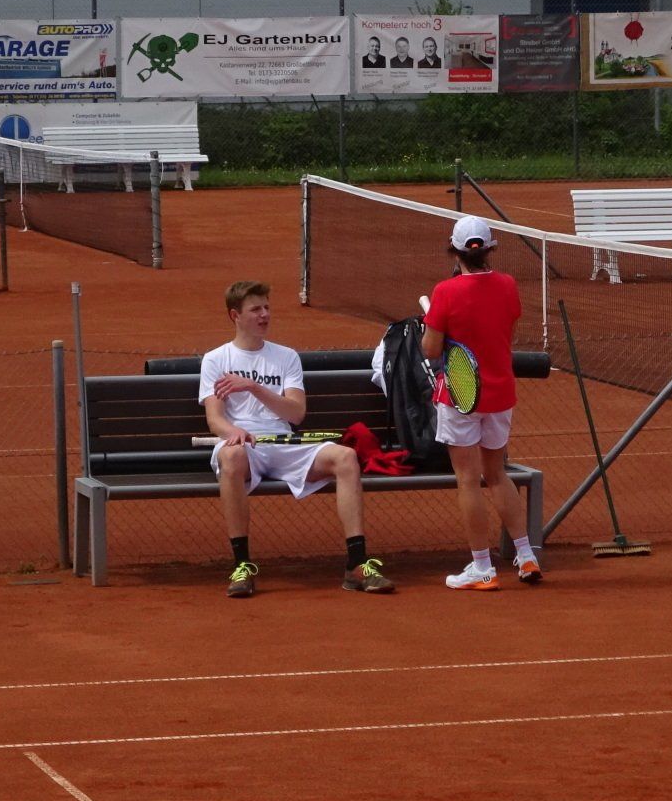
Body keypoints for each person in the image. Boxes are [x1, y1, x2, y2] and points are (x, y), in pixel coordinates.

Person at [201, 280, 393, 598]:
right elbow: (215, 418)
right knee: (231, 456)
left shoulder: (286, 357)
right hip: (244, 448)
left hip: (285, 444)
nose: (264, 315)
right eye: (255, 309)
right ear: (235, 315)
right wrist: (232, 431)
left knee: (345, 457)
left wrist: (254, 387)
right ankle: (241, 565)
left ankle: (357, 564)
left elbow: (296, 413)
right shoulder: (216, 360)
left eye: (266, 307)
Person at [421, 217, 539, 591]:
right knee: (497, 474)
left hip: (460, 399)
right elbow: (505, 332)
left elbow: (431, 349)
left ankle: (482, 567)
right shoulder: (508, 286)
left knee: (468, 480)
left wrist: (432, 322)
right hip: (500, 395)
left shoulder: (445, 292)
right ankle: (526, 556)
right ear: (489, 250)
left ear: (455, 251)